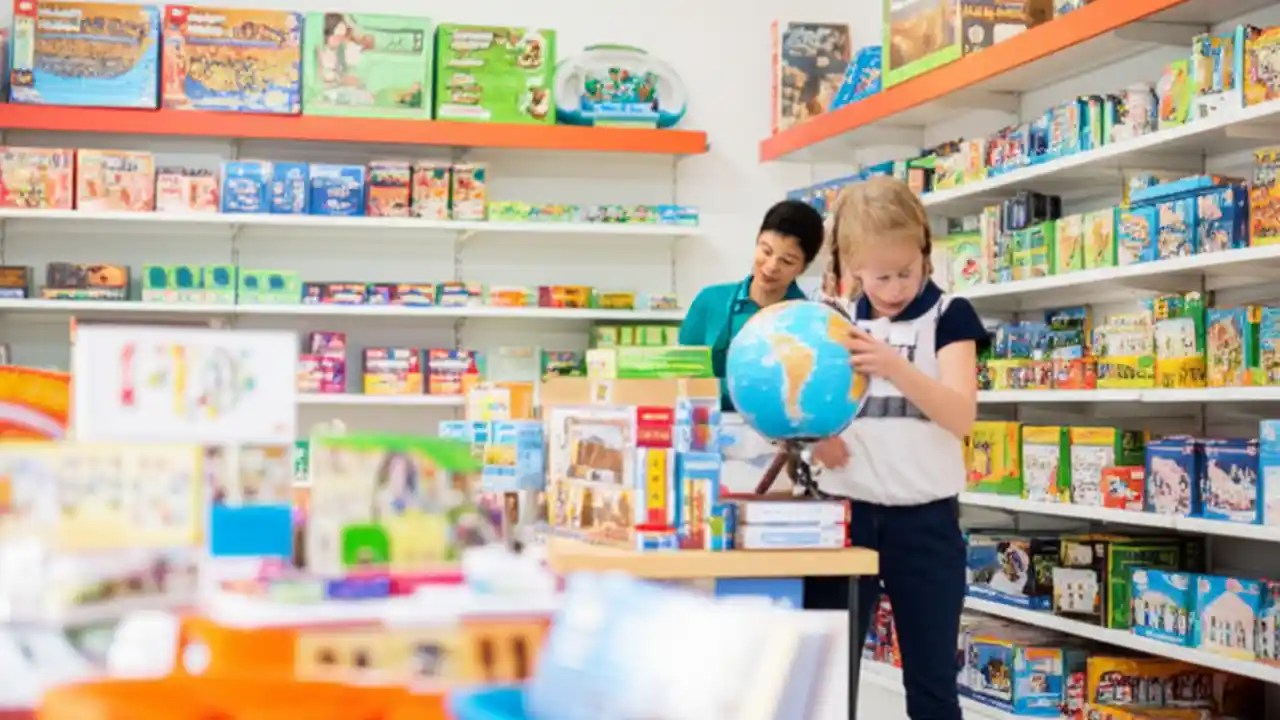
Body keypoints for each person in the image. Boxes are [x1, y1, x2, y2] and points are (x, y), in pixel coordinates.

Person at [808, 176, 987, 720]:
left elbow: (960, 416)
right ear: (852, 268)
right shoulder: (835, 319)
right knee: (829, 682)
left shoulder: (949, 315)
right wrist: (817, 438)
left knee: (932, 687)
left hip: (925, 524)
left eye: (906, 272)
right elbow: (804, 405)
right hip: (845, 517)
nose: (893, 288)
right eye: (878, 276)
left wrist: (895, 366)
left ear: (925, 253)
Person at [678, 199, 826, 410]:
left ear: (803, 267)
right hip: (707, 427)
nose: (771, 266)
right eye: (766, 251)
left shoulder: (808, 321)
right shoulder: (710, 301)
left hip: (776, 435)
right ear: (756, 242)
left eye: (787, 261)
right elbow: (682, 376)